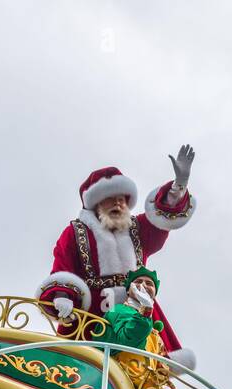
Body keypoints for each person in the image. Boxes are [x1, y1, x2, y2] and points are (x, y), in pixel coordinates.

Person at [38, 147, 198, 372]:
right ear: (96, 203)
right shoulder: (75, 232)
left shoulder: (137, 228)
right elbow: (62, 266)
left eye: (122, 199)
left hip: (137, 305)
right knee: (84, 370)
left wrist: (179, 186)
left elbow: (162, 218)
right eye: (110, 199)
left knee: (147, 371)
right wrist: (62, 296)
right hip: (93, 314)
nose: (118, 204)